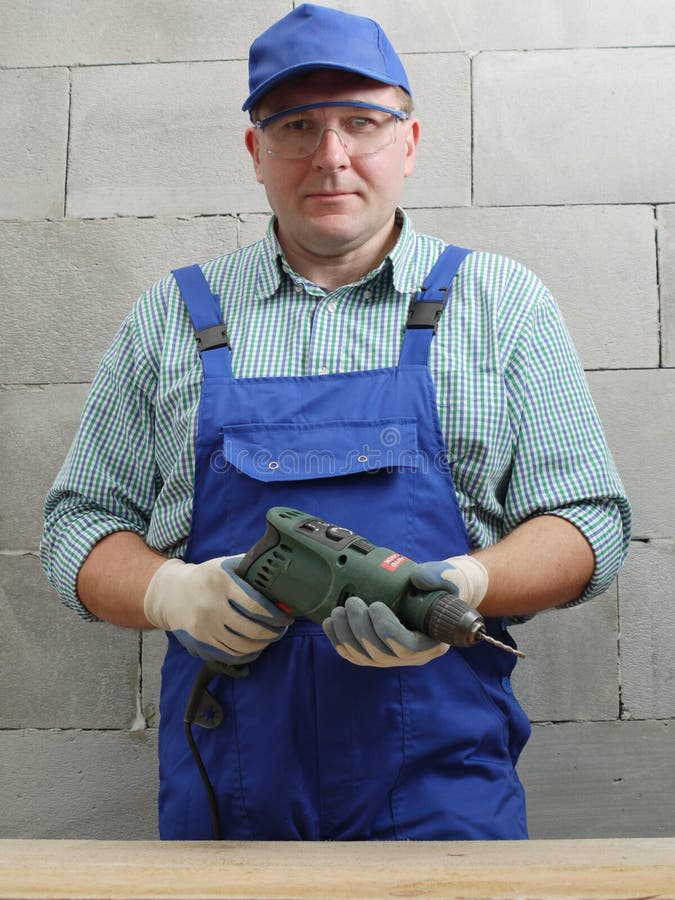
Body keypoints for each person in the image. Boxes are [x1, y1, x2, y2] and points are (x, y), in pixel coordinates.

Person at [41, 3, 631, 842]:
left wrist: (466, 583)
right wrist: (171, 593)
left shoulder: (501, 305)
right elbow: (76, 528)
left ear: (410, 143)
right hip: (226, 803)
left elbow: (590, 526)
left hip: (444, 803)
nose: (332, 156)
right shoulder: (170, 317)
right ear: (256, 151)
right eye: (296, 126)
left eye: (363, 122)